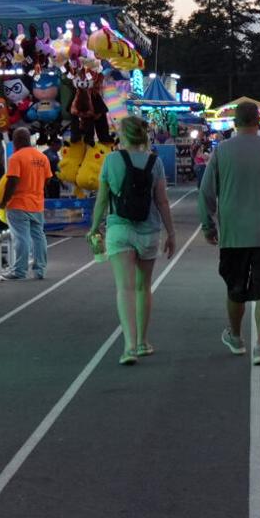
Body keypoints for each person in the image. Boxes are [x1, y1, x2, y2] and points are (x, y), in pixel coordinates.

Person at [201, 101, 260, 366]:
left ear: (234, 121)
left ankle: (235, 337)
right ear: (259, 121)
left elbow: (207, 192)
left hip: (233, 234)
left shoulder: (221, 151)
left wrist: (208, 225)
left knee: (235, 288)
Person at [90, 116, 177, 365]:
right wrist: (171, 233)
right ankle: (142, 342)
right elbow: (161, 201)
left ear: (122, 134)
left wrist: (95, 228)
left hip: (119, 229)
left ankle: (128, 345)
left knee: (124, 288)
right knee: (143, 287)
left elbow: (102, 199)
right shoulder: (155, 162)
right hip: (149, 230)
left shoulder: (111, 160)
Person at [0, 126, 53, 281]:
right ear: (29, 139)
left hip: (18, 204)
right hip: (37, 204)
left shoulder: (16, 158)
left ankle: (19, 271)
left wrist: (3, 201)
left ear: (16, 141)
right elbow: (48, 179)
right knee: (39, 237)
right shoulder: (42, 157)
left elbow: (12, 181)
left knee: (21, 238)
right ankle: (40, 270)